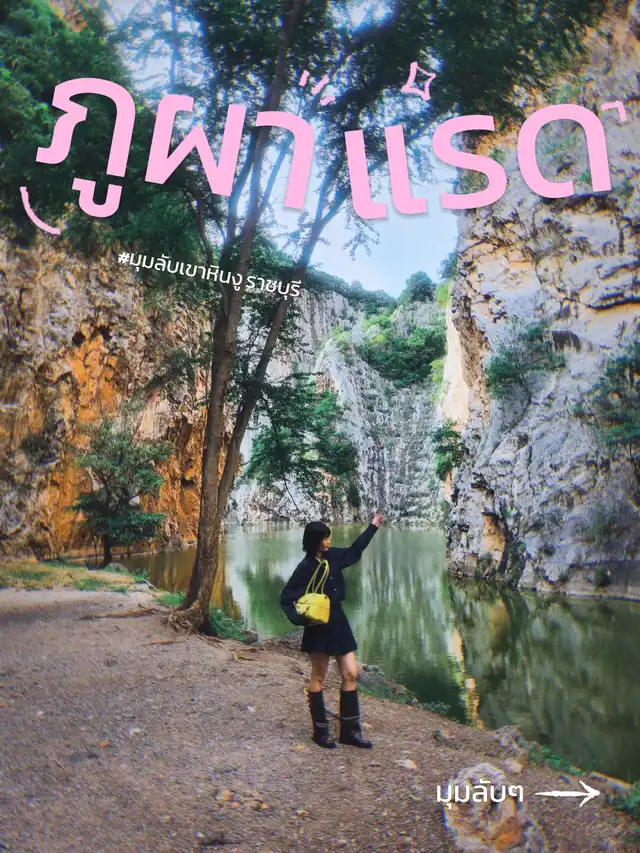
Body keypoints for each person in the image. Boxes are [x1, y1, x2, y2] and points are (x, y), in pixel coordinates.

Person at [280, 514, 383, 749]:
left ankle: (350, 732)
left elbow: (355, 550)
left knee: (351, 674)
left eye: (328, 538)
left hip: (338, 621)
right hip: (318, 627)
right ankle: (321, 731)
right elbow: (286, 599)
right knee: (318, 677)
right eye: (325, 539)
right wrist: (302, 620)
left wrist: (373, 527)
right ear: (315, 542)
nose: (328, 542)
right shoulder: (305, 568)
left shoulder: (333, 556)